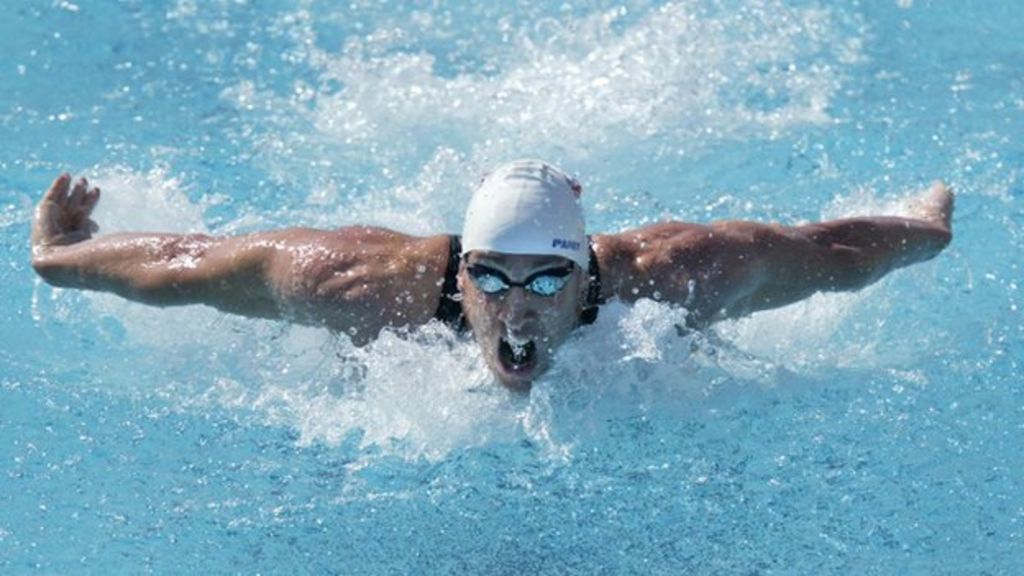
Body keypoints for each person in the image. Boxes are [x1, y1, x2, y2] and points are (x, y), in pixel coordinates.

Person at [31, 160, 953, 391]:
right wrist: (63, 257)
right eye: (491, 280)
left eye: (547, 285)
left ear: (586, 270)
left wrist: (923, 226)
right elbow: (191, 265)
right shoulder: (363, 280)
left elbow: (833, 255)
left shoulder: (677, 275)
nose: (516, 310)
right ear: (459, 271)